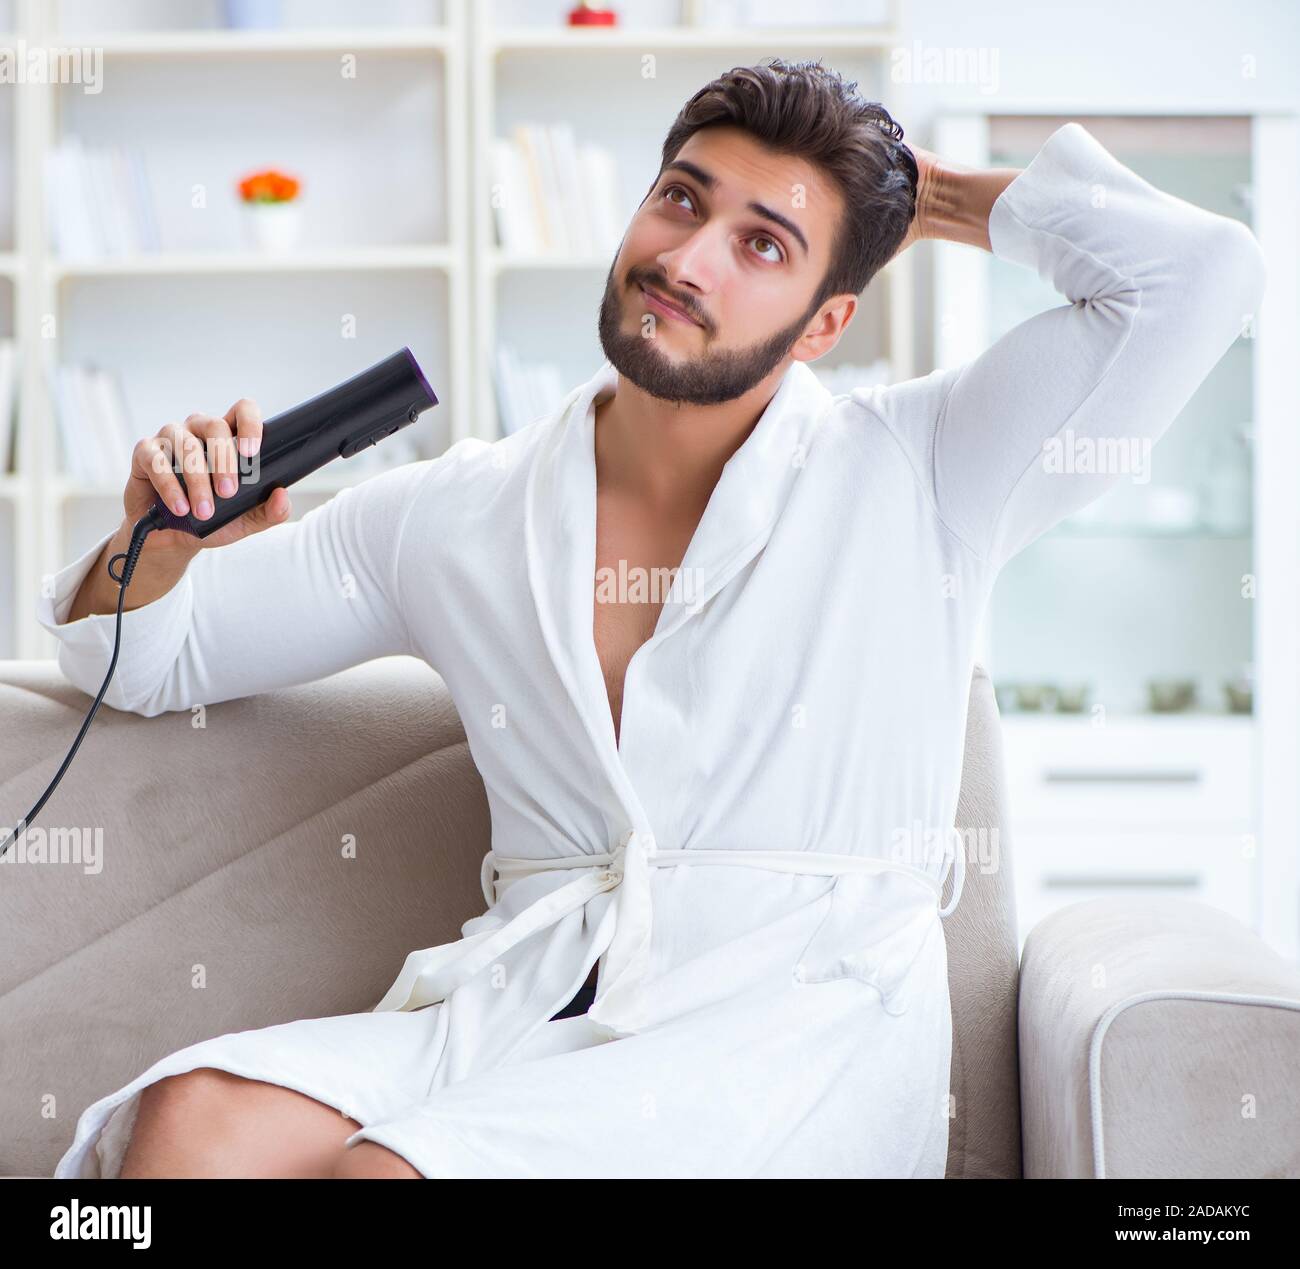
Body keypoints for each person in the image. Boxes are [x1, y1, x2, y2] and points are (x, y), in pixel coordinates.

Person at [38, 60, 1265, 1179]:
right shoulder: (456, 512)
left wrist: (912, 191)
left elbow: (1199, 274)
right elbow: (143, 658)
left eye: (766, 244)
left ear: (829, 322)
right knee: (189, 1124)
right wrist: (154, 535)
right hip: (527, 1004)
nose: (691, 259)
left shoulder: (926, 469)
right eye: (681, 199)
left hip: (789, 1039)